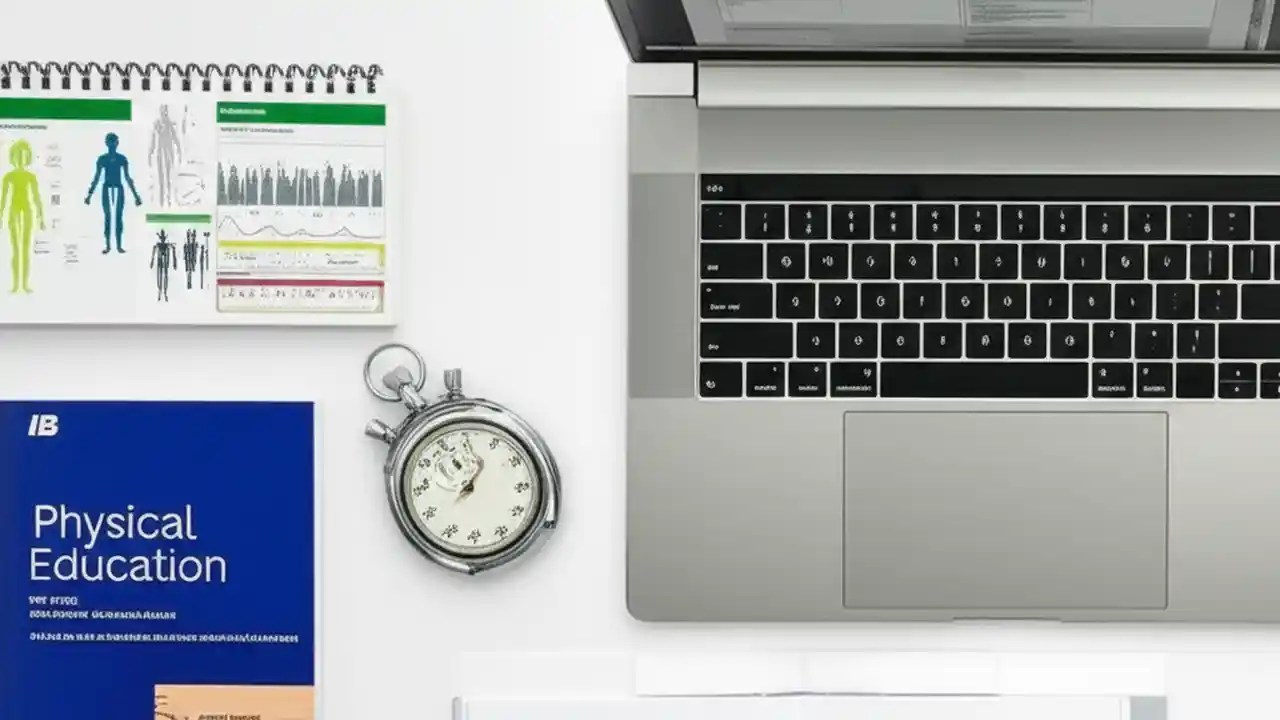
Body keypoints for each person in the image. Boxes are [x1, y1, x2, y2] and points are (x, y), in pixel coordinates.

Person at [85, 132, 142, 254]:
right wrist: (89, 194)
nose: (112, 144)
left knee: (118, 218)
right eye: (110, 142)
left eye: (113, 142)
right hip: (107, 188)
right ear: (106, 143)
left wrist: (136, 196)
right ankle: (108, 246)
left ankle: (118, 245)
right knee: (108, 218)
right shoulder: (102, 159)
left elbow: (127, 178)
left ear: (117, 143)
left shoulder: (122, 159)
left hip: (118, 188)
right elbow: (97, 177)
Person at [1, 139, 45, 293]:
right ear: (13, 157)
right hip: (14, 210)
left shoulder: (30, 177)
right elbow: (3, 199)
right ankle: (15, 284)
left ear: (28, 157)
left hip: (27, 211)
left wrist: (41, 217)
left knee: (25, 249)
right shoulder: (8, 177)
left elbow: (36, 197)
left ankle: (24, 284)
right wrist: (0, 217)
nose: (21, 159)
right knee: (15, 249)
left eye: (23, 156)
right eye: (18, 155)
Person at [149, 105, 182, 206]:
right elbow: (153, 140)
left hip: (168, 153)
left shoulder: (169, 123)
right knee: (160, 179)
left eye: (165, 112)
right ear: (160, 112)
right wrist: (150, 154)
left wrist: (179, 152)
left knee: (168, 177)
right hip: (160, 153)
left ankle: (169, 201)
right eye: (162, 112)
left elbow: (175, 138)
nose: (164, 114)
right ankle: (161, 202)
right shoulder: (156, 124)